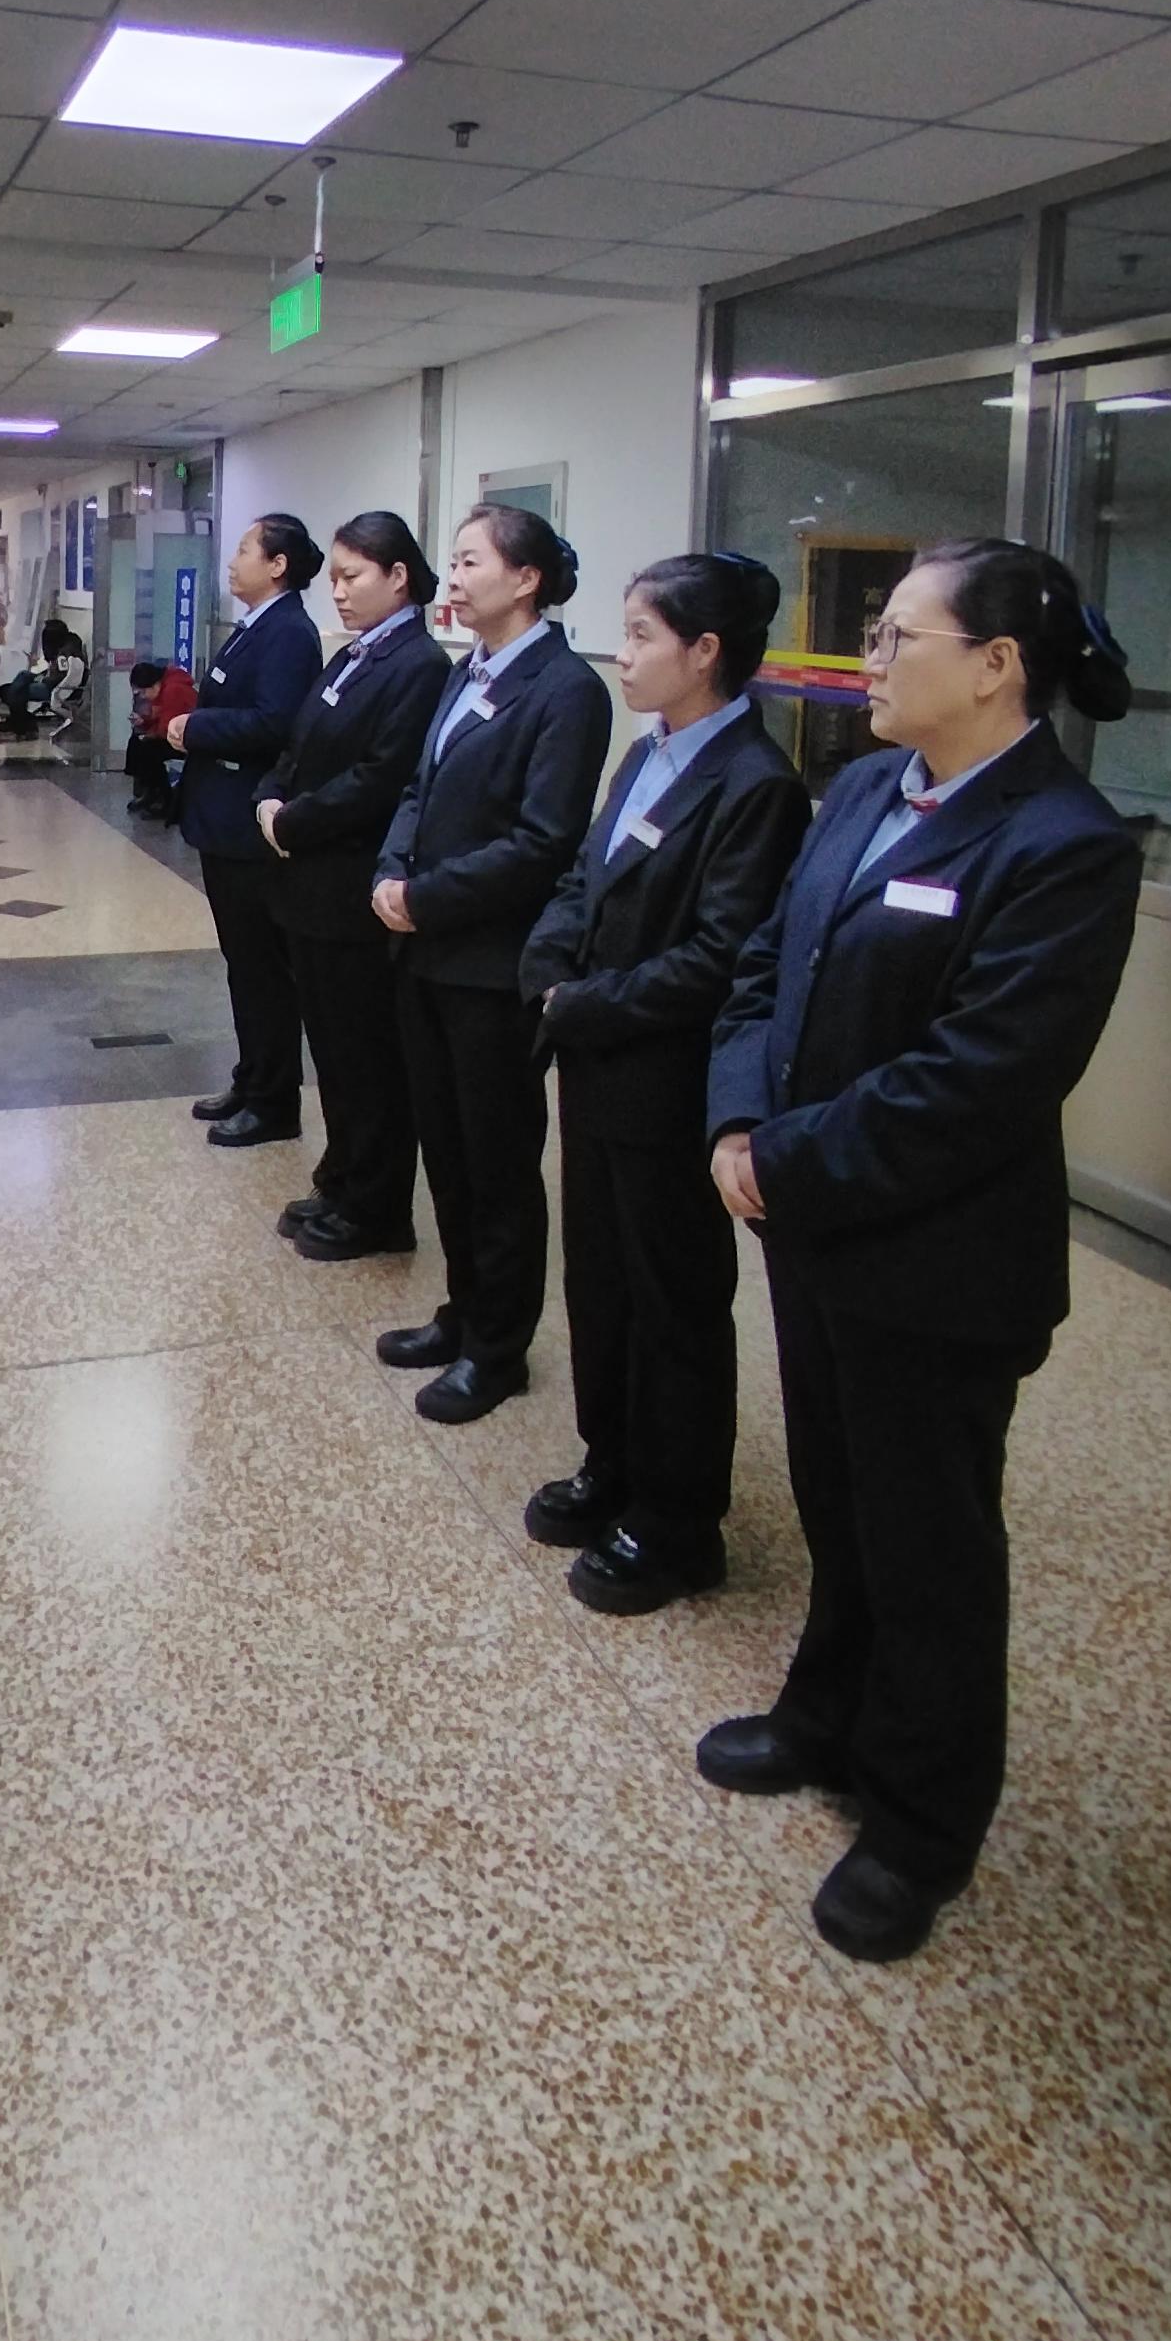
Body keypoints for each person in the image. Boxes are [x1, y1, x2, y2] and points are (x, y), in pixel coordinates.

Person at [700, 539, 1143, 1963]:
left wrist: (782, 1160)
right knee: (839, 1498)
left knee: (930, 1544)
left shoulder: (1063, 847)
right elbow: (768, 964)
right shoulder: (863, 791)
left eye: (899, 638)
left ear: (998, 666)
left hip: (937, 1265)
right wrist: (737, 1116)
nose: (868, 660)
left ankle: (921, 1822)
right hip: (817, 1231)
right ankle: (827, 1714)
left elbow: (976, 1082)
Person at [519, 551, 808, 1608]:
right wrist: (547, 968)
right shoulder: (646, 754)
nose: (625, 654)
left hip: (670, 1082)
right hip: (598, 1069)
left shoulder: (756, 787)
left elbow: (724, 956)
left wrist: (584, 1004)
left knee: (672, 1299)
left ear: (705, 651)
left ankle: (681, 1519)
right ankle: (613, 1462)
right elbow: (580, 881)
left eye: (642, 635)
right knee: (600, 1281)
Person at [370, 506, 611, 1421]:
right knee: (446, 1147)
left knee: (498, 1161)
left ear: (526, 579)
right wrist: (391, 872)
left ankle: (498, 1346)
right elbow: (417, 788)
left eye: (471, 562)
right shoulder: (465, 670)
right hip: (425, 953)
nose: (455, 578)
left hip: (492, 965)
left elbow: (543, 841)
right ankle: (462, 1310)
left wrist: (425, 896)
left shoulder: (566, 691)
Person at [254, 511, 451, 1260]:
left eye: (351, 576)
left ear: (398, 577)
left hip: (350, 894)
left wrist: (293, 820)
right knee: (333, 1055)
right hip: (309, 888)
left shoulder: (419, 666)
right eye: (333, 577)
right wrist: (270, 796)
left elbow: (379, 779)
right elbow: (299, 745)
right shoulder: (352, 656)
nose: (336, 590)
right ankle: (340, 1180)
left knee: (368, 1060)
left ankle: (377, 1208)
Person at [170, 514, 325, 1148]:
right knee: (243, 965)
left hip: (248, 826)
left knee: (263, 970)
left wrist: (196, 728)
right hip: (222, 818)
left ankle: (274, 1102)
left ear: (277, 565)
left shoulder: (288, 633)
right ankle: (252, 1076)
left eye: (243, 550)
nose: (232, 562)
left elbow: (274, 722)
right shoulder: (254, 626)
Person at [124, 656, 196, 815]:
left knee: (149, 751)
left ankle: (163, 799)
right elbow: (162, 719)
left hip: (188, 740)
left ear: (155, 684)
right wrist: (144, 722)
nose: (143, 696)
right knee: (137, 742)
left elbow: (166, 728)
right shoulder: (165, 688)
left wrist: (149, 734)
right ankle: (149, 791)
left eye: (143, 692)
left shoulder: (173, 691)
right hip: (177, 736)